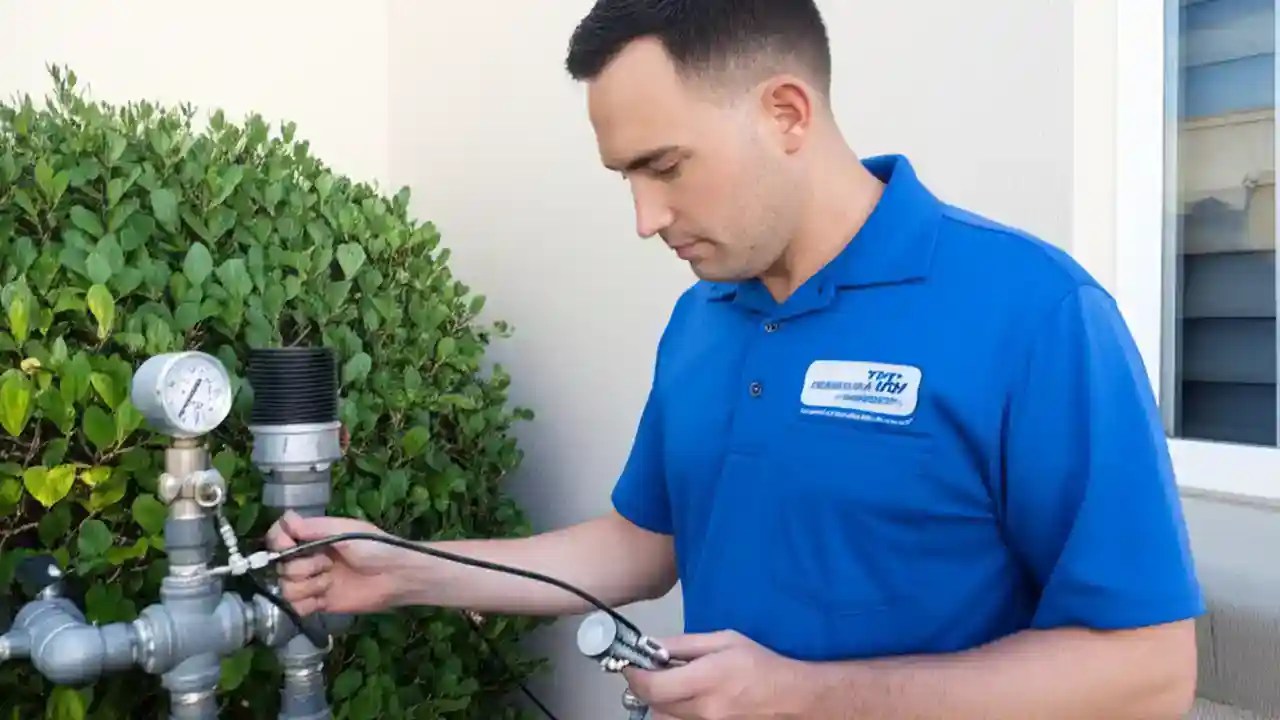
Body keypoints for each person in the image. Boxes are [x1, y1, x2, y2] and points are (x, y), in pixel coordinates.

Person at [266, 1, 1204, 717]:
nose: (645, 219)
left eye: (666, 167)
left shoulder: (1035, 313)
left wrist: (803, 694)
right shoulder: (704, 319)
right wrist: (405, 568)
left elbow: (1150, 668)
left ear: (787, 112)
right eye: (625, 177)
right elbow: (645, 545)